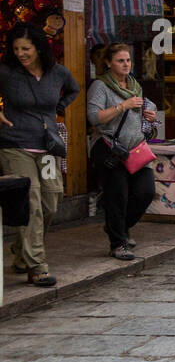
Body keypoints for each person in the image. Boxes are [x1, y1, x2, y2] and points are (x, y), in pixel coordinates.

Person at [0, 23, 80, 288]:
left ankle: (23, 253)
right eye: (16, 49)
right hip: (15, 145)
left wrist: (56, 109)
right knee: (31, 201)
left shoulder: (57, 73)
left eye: (26, 48)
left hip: (47, 148)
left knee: (51, 201)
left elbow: (74, 90)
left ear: (38, 47)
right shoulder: (7, 72)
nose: (21, 53)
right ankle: (37, 266)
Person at [86, 43, 157, 260]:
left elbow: (139, 114)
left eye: (128, 60)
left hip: (136, 149)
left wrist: (148, 116)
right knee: (117, 196)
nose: (125, 64)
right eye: (120, 60)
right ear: (108, 63)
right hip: (110, 148)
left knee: (145, 192)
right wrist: (122, 106)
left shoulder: (134, 85)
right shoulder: (100, 86)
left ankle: (118, 227)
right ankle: (118, 243)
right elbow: (94, 117)